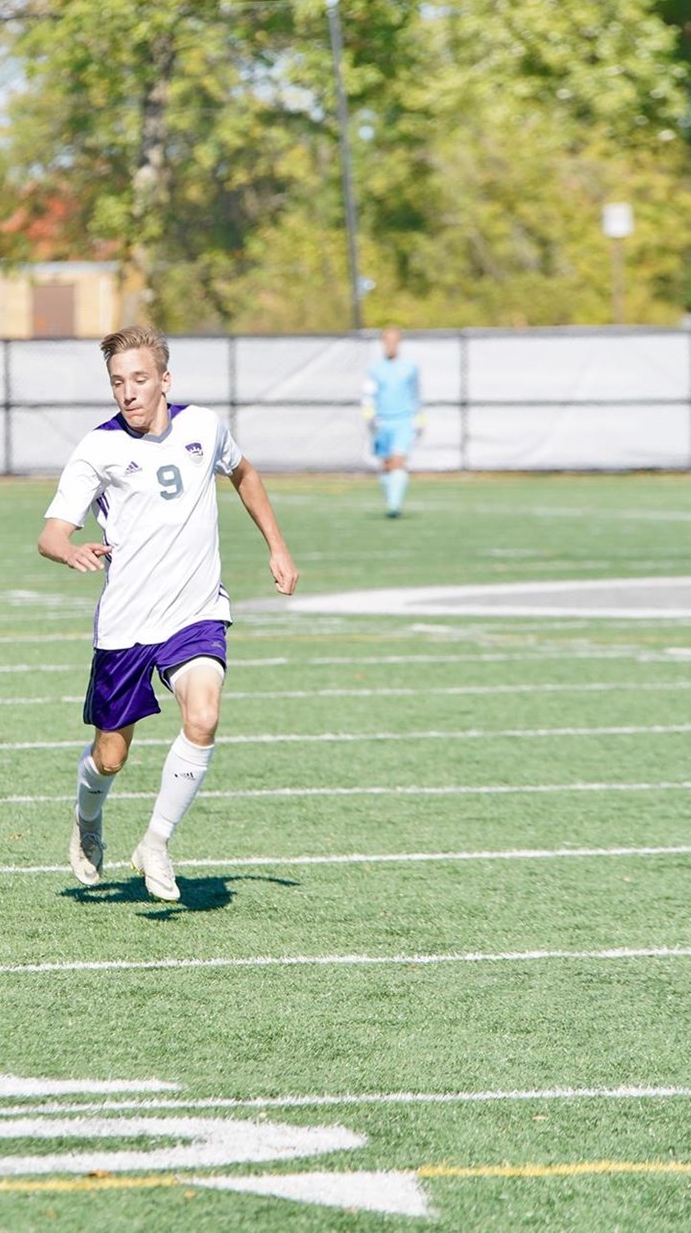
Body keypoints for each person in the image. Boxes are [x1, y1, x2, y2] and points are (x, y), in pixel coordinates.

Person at [37, 324, 299, 902]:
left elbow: (244, 473)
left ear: (165, 380)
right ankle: (87, 817)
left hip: (195, 612)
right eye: (117, 382)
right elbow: (51, 533)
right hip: (127, 623)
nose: (128, 392)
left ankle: (155, 842)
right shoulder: (98, 448)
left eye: (139, 379)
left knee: (203, 717)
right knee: (111, 756)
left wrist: (277, 546)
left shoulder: (204, 426)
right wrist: (68, 549)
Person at [364, 326, 422, 518]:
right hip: (382, 421)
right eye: (387, 341)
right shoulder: (375, 368)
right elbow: (368, 395)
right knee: (386, 464)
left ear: (399, 343)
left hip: (403, 420)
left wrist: (419, 418)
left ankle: (394, 506)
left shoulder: (410, 367)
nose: (390, 345)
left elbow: (416, 394)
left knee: (398, 461)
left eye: (394, 341)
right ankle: (391, 500)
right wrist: (369, 416)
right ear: (383, 342)